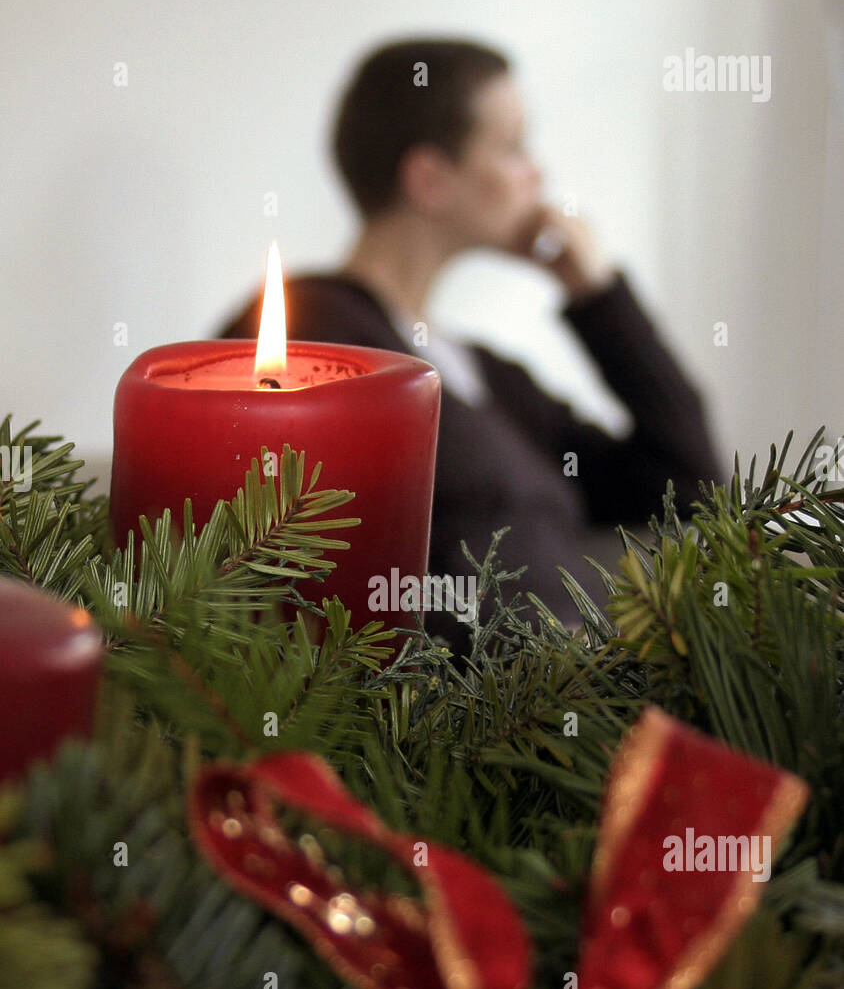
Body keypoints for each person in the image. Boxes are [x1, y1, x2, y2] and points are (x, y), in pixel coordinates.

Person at [218, 38, 723, 645]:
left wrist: (597, 296)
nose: (536, 175)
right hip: (465, 722)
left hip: (585, 698)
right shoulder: (311, 331)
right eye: (512, 147)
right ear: (429, 179)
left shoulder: (494, 379)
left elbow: (688, 487)